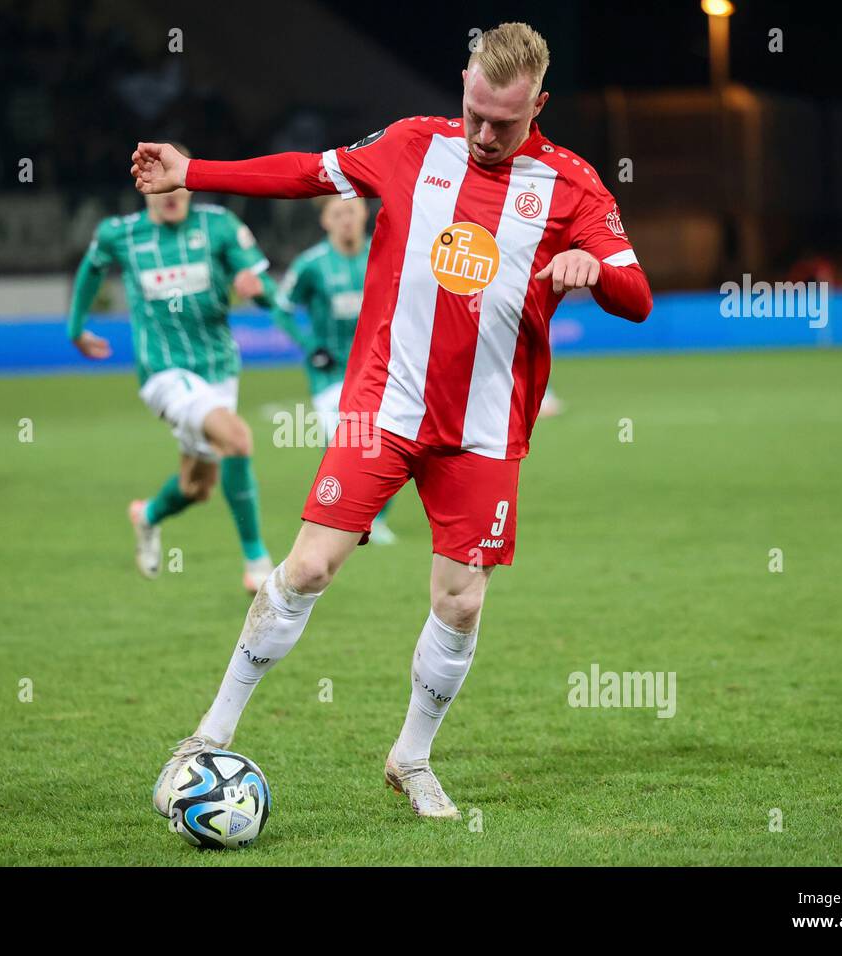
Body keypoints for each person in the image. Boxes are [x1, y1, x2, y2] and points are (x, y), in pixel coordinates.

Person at [137, 22, 652, 819]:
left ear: (539, 105)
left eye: (504, 123)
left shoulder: (572, 184)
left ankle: (411, 758)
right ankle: (210, 732)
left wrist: (595, 273)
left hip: (483, 427)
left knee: (462, 601)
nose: (484, 134)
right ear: (464, 84)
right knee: (307, 568)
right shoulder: (414, 143)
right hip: (381, 405)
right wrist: (193, 170)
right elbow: (308, 174)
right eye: (475, 112)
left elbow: (637, 295)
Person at [68, 145, 276, 594]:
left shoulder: (218, 225)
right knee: (238, 438)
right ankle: (257, 561)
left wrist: (257, 291)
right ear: (143, 185)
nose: (169, 189)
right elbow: (90, 269)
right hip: (163, 372)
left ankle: (147, 516)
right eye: (156, 177)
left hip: (219, 368)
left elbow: (263, 285)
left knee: (197, 487)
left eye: (175, 176)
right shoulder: (119, 234)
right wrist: (75, 327)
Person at [270, 195, 397, 544]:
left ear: (363, 215)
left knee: (388, 442)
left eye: (352, 212)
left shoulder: (384, 253)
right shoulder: (311, 264)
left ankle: (374, 520)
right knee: (348, 444)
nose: (346, 220)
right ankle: (349, 517)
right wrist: (311, 346)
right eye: (338, 214)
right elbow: (282, 310)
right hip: (332, 373)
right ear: (325, 221)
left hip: (378, 368)